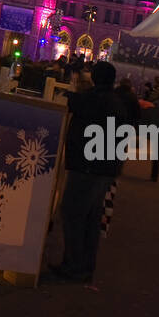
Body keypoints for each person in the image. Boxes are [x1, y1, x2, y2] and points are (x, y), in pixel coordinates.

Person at [53, 61, 137, 285]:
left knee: (73, 213)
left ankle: (73, 265)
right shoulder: (115, 101)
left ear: (96, 78)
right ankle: (85, 267)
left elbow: (73, 101)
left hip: (88, 167)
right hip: (105, 168)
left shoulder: (95, 98)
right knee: (91, 218)